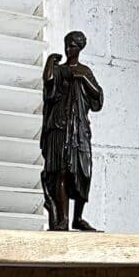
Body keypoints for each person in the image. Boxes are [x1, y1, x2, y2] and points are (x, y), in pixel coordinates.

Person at [40, 30, 104, 231]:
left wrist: (82, 78)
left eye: (73, 46)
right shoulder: (60, 71)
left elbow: (98, 99)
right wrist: (50, 61)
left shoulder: (84, 71)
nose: (69, 49)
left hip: (79, 130)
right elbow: (49, 81)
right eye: (67, 45)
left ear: (80, 48)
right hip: (60, 126)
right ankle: (63, 220)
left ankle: (78, 217)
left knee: (83, 171)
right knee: (61, 172)